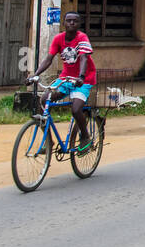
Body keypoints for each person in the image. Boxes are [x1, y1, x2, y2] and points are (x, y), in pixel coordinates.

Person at [27, 12, 98, 147]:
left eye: (75, 21)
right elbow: (48, 59)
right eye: (69, 20)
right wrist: (35, 75)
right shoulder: (58, 39)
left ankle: (85, 136)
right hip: (65, 78)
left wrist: (81, 77)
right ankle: (48, 141)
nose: (71, 23)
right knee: (43, 101)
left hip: (84, 79)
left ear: (79, 24)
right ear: (64, 23)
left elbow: (83, 58)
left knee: (76, 109)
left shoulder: (82, 38)